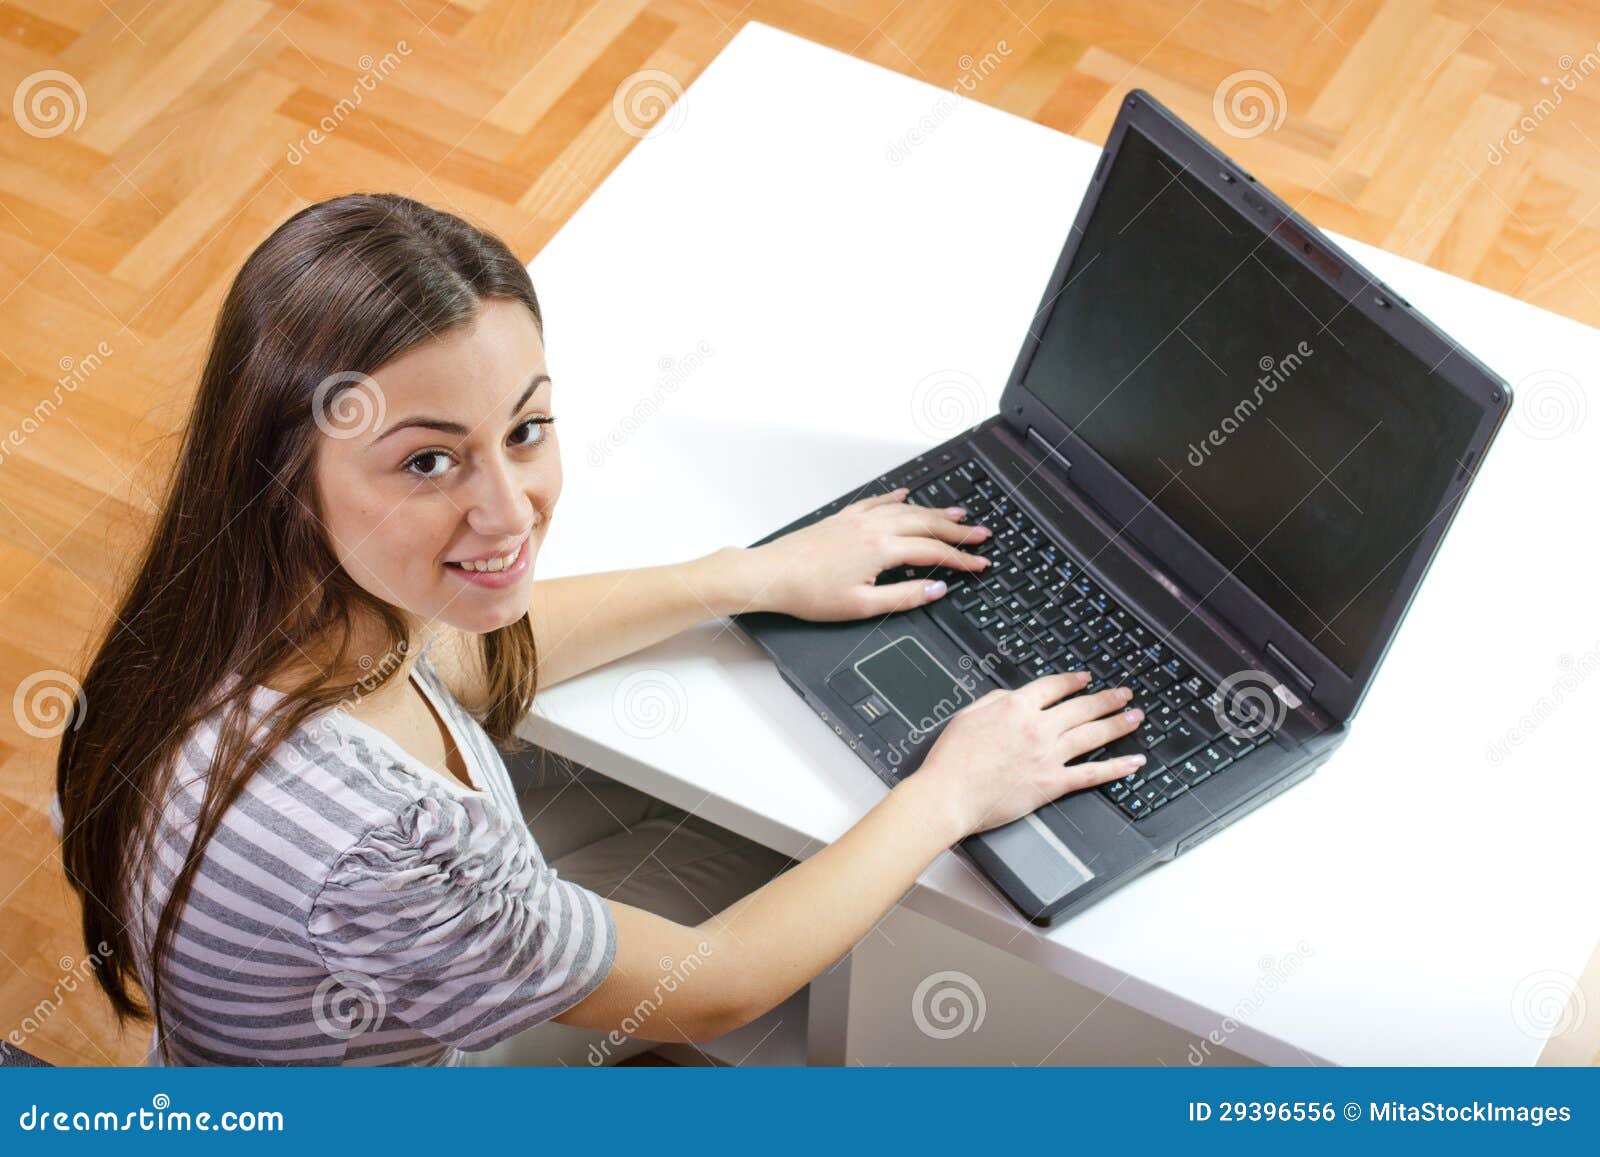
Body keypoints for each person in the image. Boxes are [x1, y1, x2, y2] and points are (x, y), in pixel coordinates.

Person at [54, 194, 1147, 1066]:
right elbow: (710, 984)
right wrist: (949, 790)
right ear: (287, 476)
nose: (510, 510)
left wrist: (746, 574)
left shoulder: (233, 616)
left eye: (525, 428)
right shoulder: (377, 852)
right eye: (429, 460)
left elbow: (459, 657)